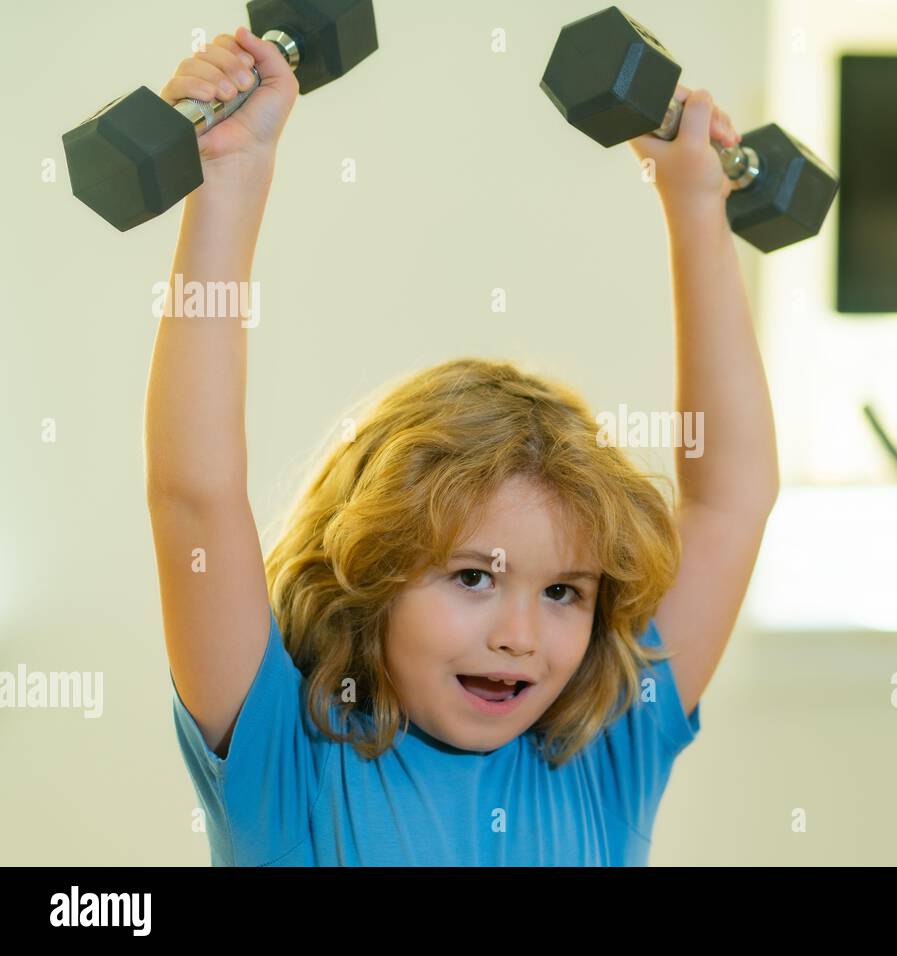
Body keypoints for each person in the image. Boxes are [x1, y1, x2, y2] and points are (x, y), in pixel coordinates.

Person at [146, 26, 779, 865]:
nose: (521, 634)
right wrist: (228, 177)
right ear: (369, 573)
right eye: (473, 576)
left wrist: (696, 205)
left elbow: (732, 501)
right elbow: (195, 493)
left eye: (564, 592)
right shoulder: (285, 755)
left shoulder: (602, 753)